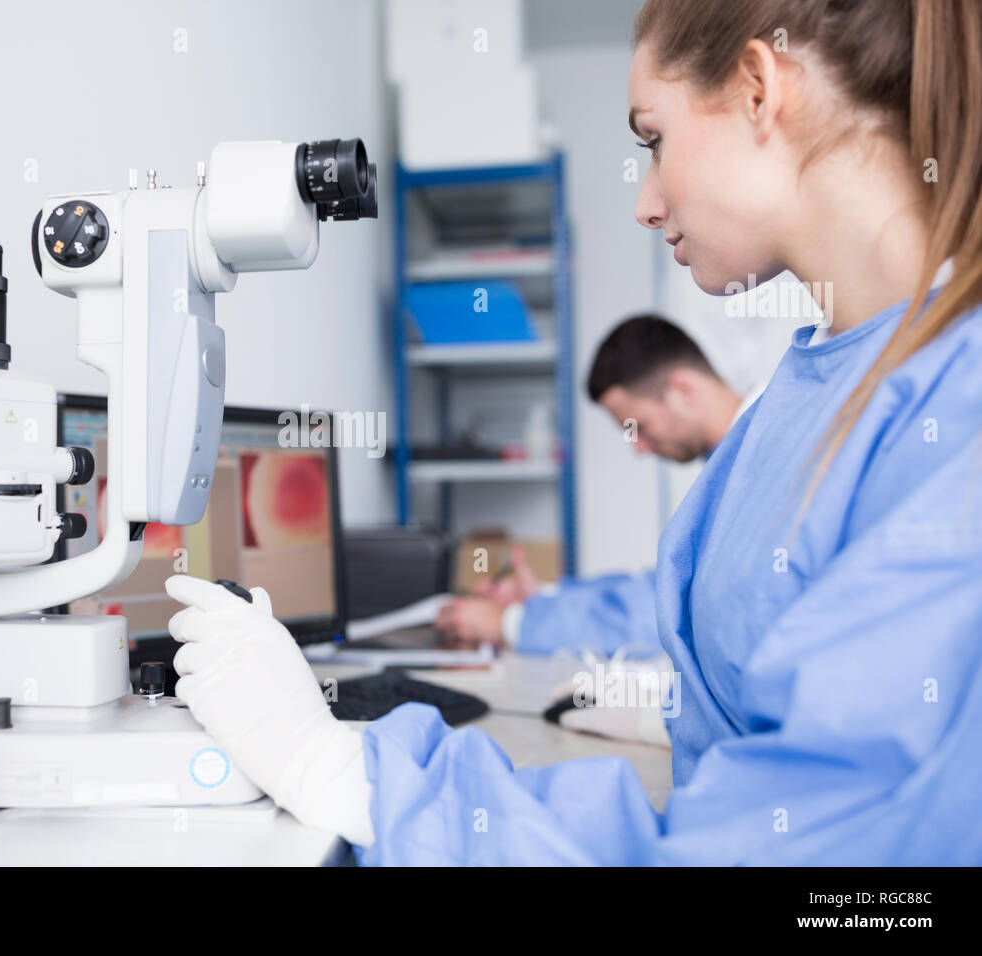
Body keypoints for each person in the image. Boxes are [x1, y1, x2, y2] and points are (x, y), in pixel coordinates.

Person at [166, 0, 982, 864]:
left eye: (652, 140)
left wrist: (346, 773)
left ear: (758, 89)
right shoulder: (816, 383)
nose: (646, 202)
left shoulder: (955, 419)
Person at [436, 314, 761, 651]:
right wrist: (546, 599)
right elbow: (674, 586)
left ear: (683, 391)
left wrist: (510, 624)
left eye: (640, 426)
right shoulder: (736, 460)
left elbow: (676, 613)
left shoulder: (765, 459)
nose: (638, 448)